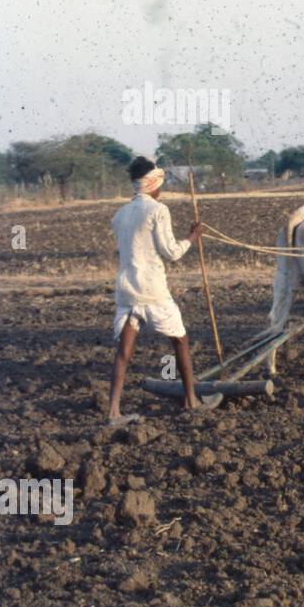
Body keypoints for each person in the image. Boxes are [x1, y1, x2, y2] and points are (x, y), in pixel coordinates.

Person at [107, 157, 220, 426]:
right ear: (153, 183)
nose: (163, 188)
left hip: (126, 290)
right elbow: (171, 253)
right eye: (161, 183)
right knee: (180, 340)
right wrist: (193, 237)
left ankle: (113, 413)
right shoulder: (159, 210)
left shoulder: (119, 215)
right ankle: (191, 400)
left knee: (123, 352)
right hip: (152, 290)